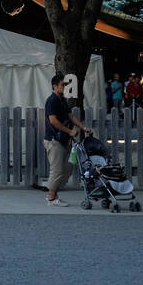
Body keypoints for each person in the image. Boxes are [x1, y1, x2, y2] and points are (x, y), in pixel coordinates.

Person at [43, 72, 83, 207]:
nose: (65, 87)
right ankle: (51, 197)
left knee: (68, 167)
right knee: (57, 169)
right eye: (62, 85)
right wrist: (70, 131)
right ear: (55, 86)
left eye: (65, 84)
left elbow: (70, 115)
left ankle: (54, 193)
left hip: (64, 139)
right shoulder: (52, 100)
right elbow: (53, 120)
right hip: (54, 139)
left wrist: (83, 127)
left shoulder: (62, 100)